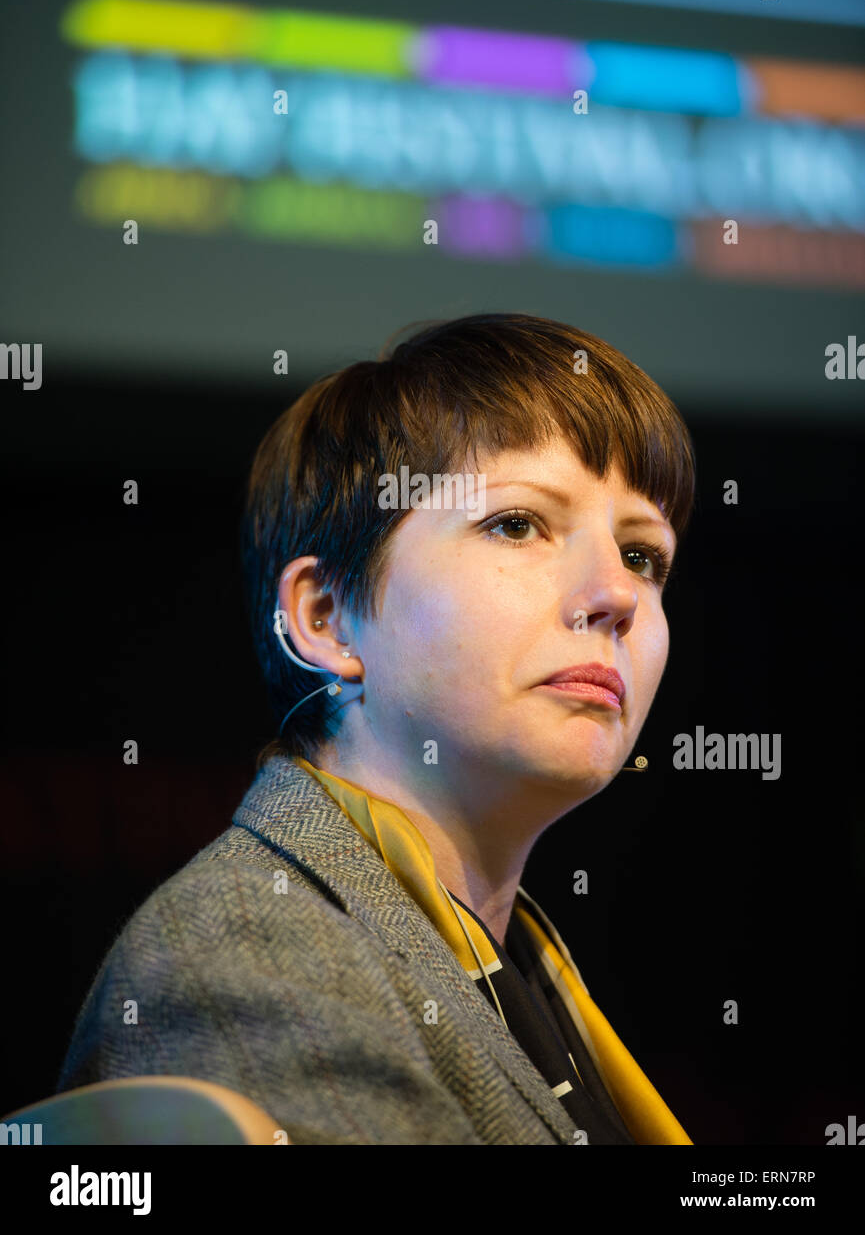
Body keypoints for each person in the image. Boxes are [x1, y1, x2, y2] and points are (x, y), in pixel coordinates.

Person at [57, 312, 696, 1145]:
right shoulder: (256, 959)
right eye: (516, 523)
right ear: (327, 619)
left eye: (643, 555)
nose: (616, 595)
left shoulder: (513, 968)